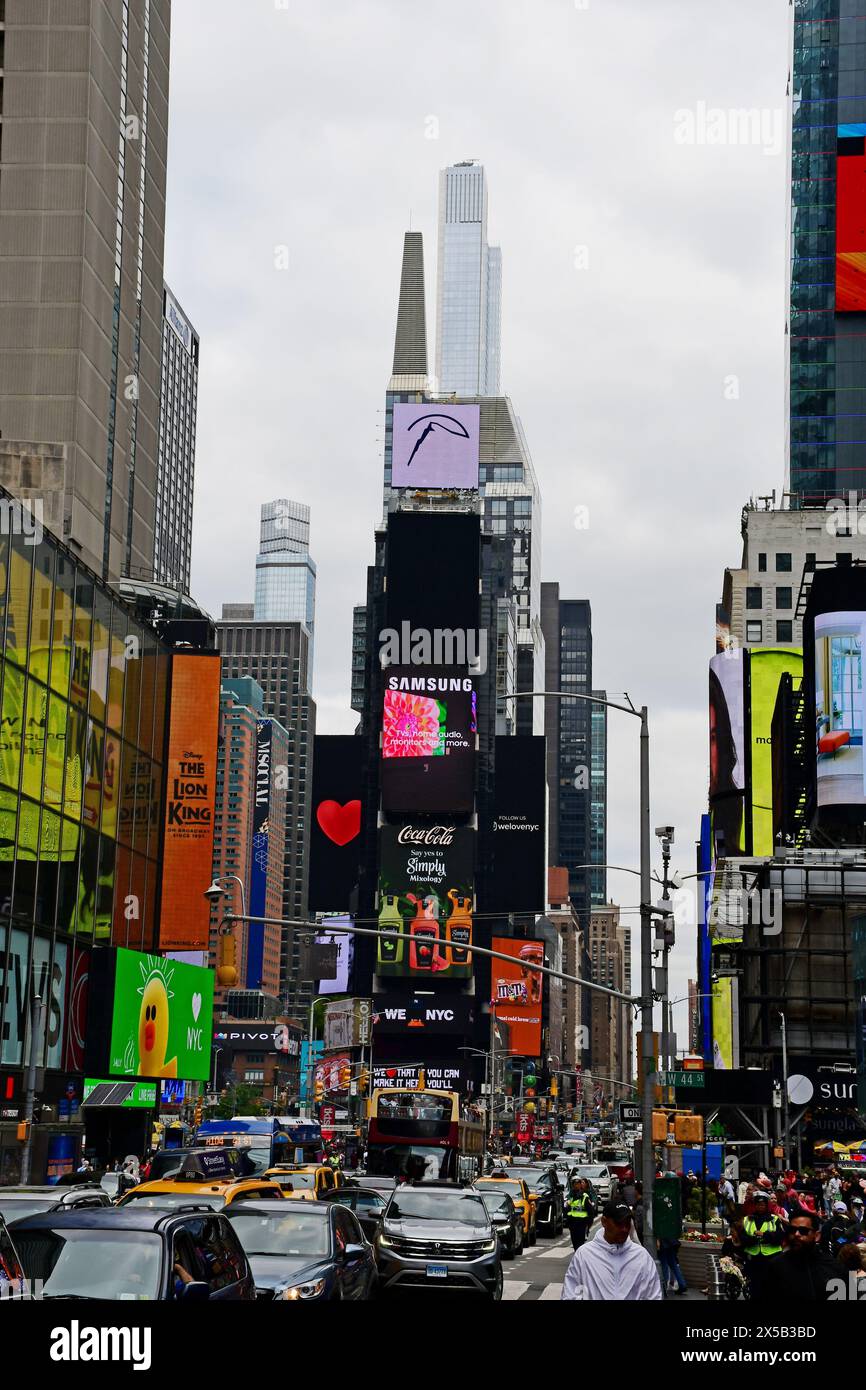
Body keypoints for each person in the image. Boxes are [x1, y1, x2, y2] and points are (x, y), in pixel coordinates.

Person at [561, 1200, 661, 1301]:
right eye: (619, 1224)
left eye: (627, 1224)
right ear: (604, 1222)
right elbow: (570, 1294)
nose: (624, 1229)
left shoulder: (642, 1257)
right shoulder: (584, 1255)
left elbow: (653, 1295)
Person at [753, 1211, 840, 1302]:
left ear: (817, 1235)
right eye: (792, 1230)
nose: (796, 1234)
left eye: (803, 1231)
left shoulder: (832, 1267)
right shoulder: (775, 1266)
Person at [741, 1193, 783, 1298]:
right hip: (753, 1258)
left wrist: (764, 1235)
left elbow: (779, 1237)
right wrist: (754, 1238)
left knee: (770, 1287)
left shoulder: (774, 1219)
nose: (760, 1207)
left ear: (766, 1205)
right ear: (755, 1205)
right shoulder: (747, 1219)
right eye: (758, 1204)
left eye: (763, 1205)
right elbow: (742, 1238)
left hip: (771, 1258)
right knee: (754, 1288)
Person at [565, 1178, 595, 1251]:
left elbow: (591, 1212)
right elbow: (567, 1209)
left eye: (578, 1184)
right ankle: (577, 1256)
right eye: (575, 1184)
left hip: (582, 1223)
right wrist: (568, 1222)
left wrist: (589, 1224)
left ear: (580, 1185)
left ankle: (579, 1258)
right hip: (573, 1223)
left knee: (580, 1244)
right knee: (575, 1243)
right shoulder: (571, 1196)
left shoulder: (584, 1196)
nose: (576, 1186)